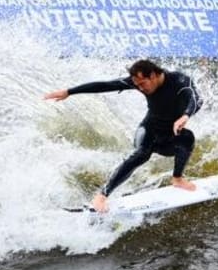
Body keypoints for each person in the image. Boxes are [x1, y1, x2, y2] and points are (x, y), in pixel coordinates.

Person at [45, 59, 202, 213]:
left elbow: (195, 99)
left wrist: (186, 116)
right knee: (141, 153)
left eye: (142, 84)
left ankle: (177, 178)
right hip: (149, 130)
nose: (139, 88)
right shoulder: (139, 82)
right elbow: (107, 85)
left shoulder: (179, 80)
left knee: (187, 138)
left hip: (171, 134)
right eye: (137, 85)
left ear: (153, 75)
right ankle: (102, 195)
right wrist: (69, 91)